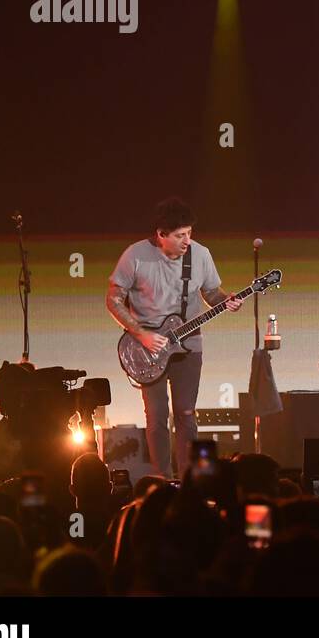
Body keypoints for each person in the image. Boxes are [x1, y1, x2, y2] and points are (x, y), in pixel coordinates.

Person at [107, 197, 241, 477]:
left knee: (186, 415)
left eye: (189, 234)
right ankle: (163, 480)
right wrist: (141, 335)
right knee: (156, 419)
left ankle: (188, 480)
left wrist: (226, 300)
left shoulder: (201, 255)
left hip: (189, 345)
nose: (187, 241)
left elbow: (212, 294)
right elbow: (114, 300)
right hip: (147, 350)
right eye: (180, 235)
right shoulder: (135, 255)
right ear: (161, 235)